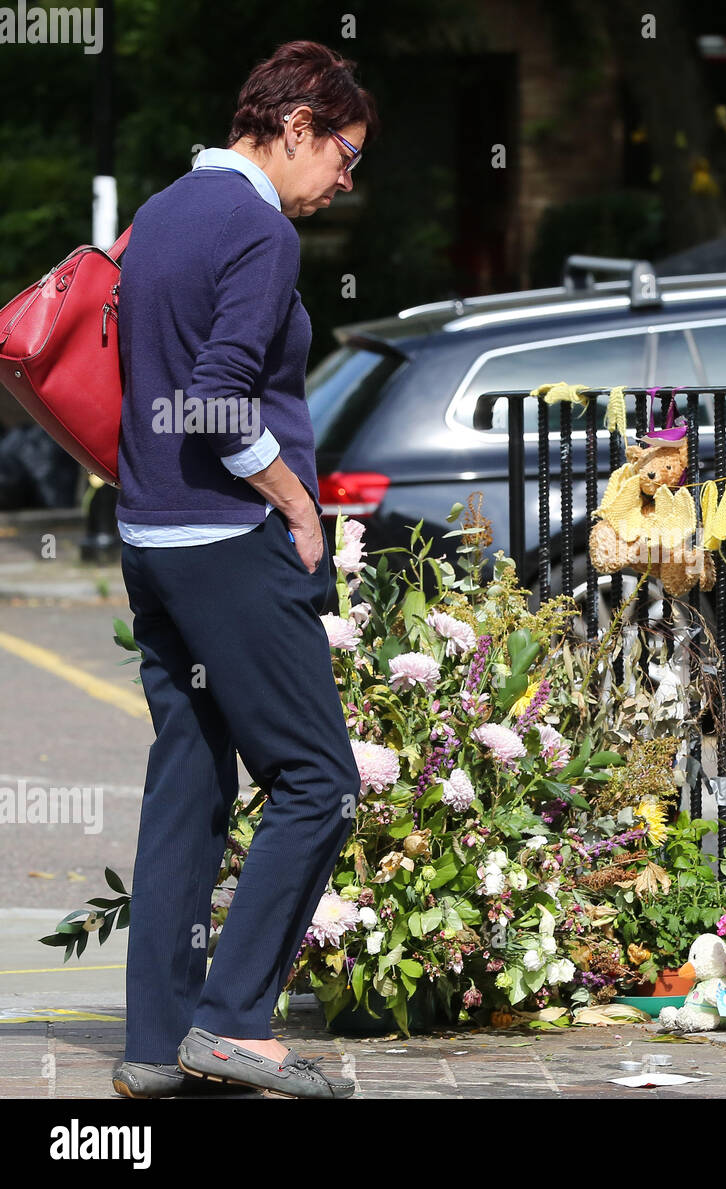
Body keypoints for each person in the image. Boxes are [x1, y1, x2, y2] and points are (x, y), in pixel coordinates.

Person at [109, 40, 377, 1100]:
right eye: (346, 156)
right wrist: (299, 505)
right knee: (318, 780)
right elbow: (218, 398)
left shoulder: (164, 212)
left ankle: (153, 1038)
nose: (344, 183)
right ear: (299, 125)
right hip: (228, 541)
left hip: (150, 538)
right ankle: (229, 1021)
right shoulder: (259, 227)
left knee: (188, 780)